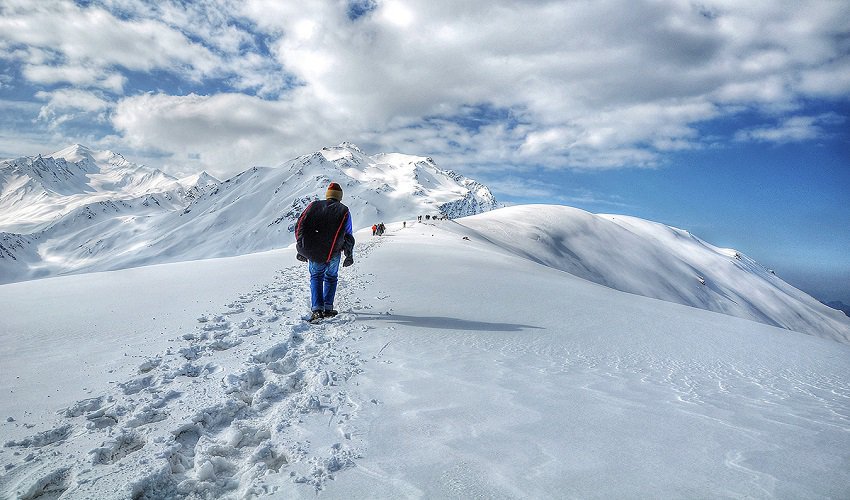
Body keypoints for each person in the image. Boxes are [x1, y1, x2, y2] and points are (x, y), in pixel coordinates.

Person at [295, 182, 355, 322]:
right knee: (331, 278)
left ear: (327, 195)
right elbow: (348, 234)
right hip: (334, 252)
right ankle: (328, 308)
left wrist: (302, 249)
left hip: (314, 251)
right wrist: (349, 254)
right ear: (340, 196)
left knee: (316, 277)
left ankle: (317, 309)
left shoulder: (314, 206)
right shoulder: (344, 210)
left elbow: (300, 226)